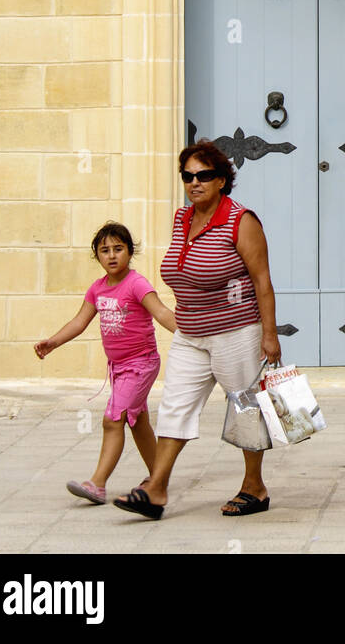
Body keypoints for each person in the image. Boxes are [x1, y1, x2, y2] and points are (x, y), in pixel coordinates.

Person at [113, 140, 282, 520]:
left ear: (222, 180)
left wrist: (269, 335)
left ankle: (254, 488)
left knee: (245, 408)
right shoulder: (182, 218)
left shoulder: (241, 221)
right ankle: (155, 490)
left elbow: (263, 281)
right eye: (188, 176)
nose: (195, 182)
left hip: (237, 331)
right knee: (174, 406)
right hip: (190, 333)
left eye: (204, 176)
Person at [34, 222, 177, 504]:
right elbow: (79, 321)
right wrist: (53, 342)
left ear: (130, 252)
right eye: (105, 250)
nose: (112, 256)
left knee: (113, 420)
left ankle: (97, 484)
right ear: (97, 256)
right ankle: (157, 478)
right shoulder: (97, 289)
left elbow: (160, 311)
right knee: (138, 422)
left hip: (141, 364)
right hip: (119, 368)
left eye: (119, 249)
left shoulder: (136, 284)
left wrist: (191, 334)